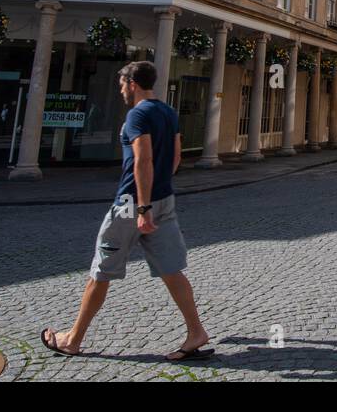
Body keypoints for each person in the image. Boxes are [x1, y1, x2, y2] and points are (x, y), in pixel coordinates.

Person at [42, 60, 211, 361]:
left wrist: (143, 206)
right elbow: (174, 158)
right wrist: (159, 190)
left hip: (131, 205)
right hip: (165, 199)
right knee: (172, 270)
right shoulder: (168, 112)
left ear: (132, 84)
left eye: (122, 84)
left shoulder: (137, 114)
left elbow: (142, 160)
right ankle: (196, 331)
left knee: (101, 271)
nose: (120, 89)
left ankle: (72, 340)